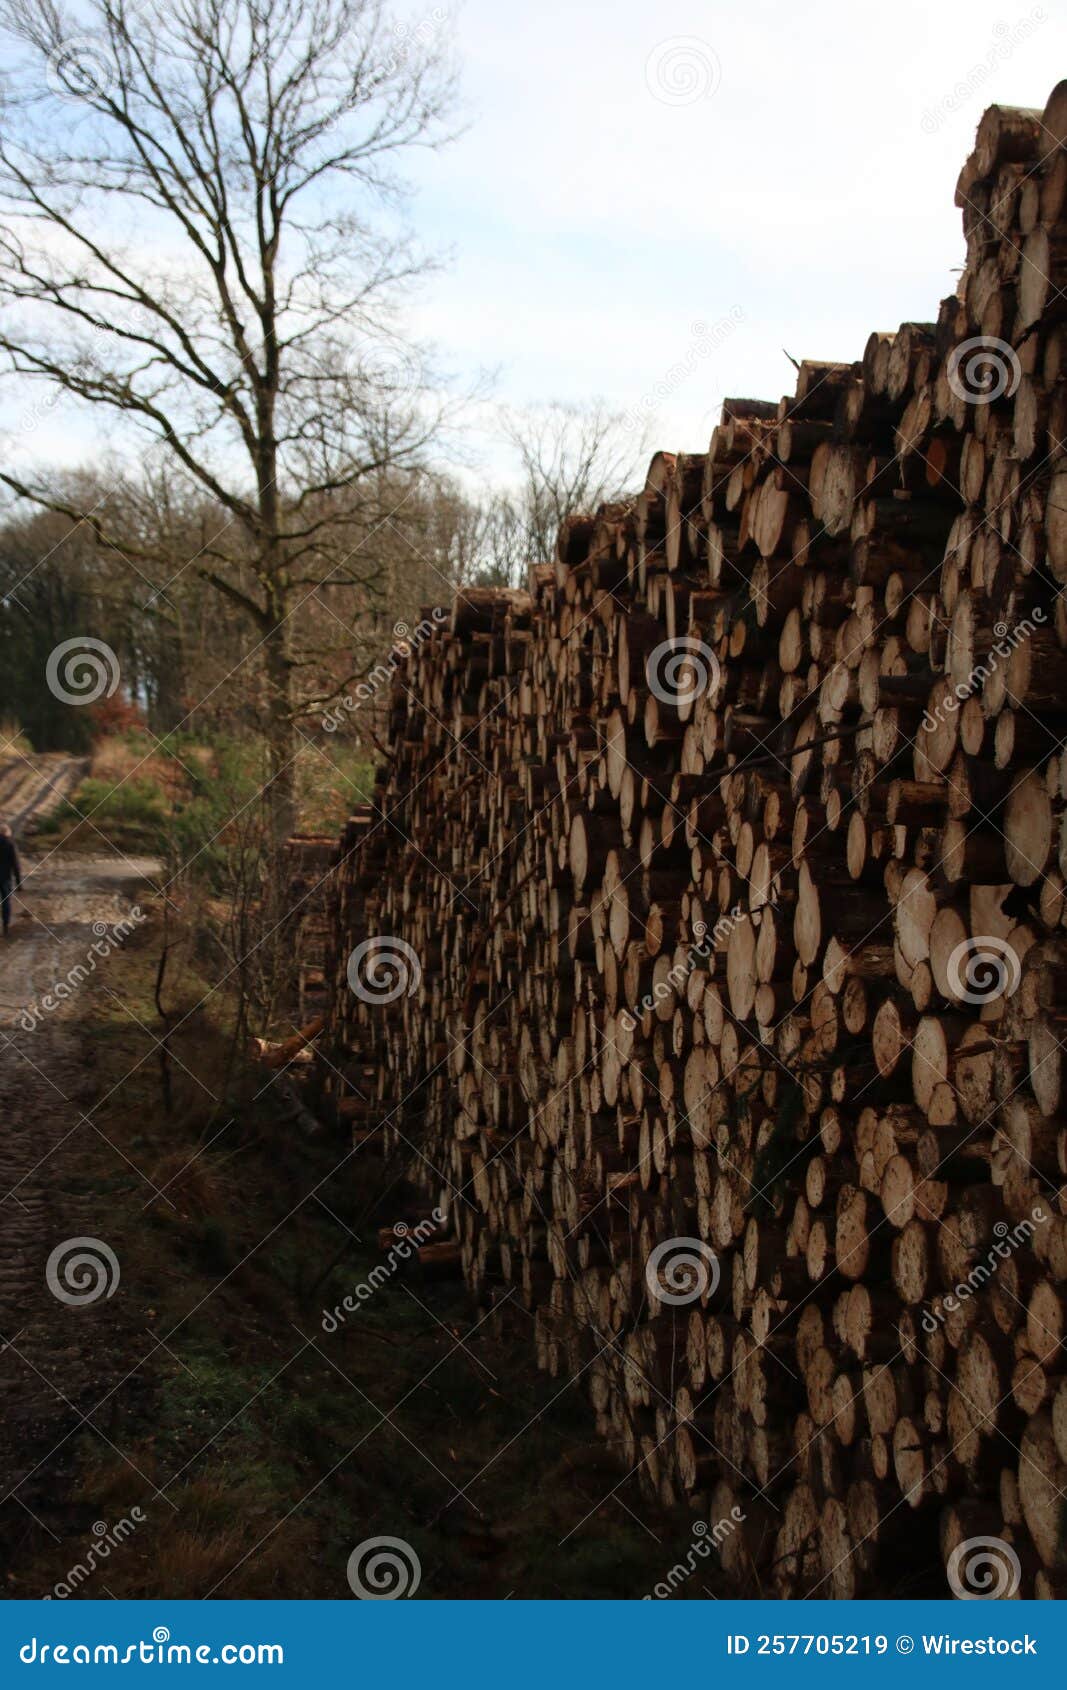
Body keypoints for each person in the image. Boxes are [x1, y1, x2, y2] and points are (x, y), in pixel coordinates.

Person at [0, 821, 21, 938]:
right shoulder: (10, 844)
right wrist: (19, 883)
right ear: (7, 833)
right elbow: (16, 865)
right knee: (6, 902)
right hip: (5, 878)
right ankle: (5, 927)